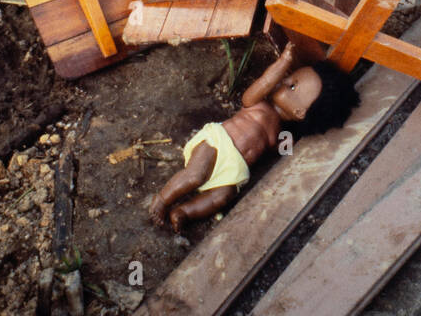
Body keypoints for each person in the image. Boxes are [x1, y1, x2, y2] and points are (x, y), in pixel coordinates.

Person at [149, 44, 359, 233]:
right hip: (217, 143)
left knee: (222, 197)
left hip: (233, 170)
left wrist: (304, 136)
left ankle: (185, 211)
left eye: (292, 86)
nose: (283, 80)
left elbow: (284, 151)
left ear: (299, 112)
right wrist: (283, 61)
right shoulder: (256, 103)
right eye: (288, 76)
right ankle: (162, 199)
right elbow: (266, 82)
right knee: (195, 175)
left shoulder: (281, 132)